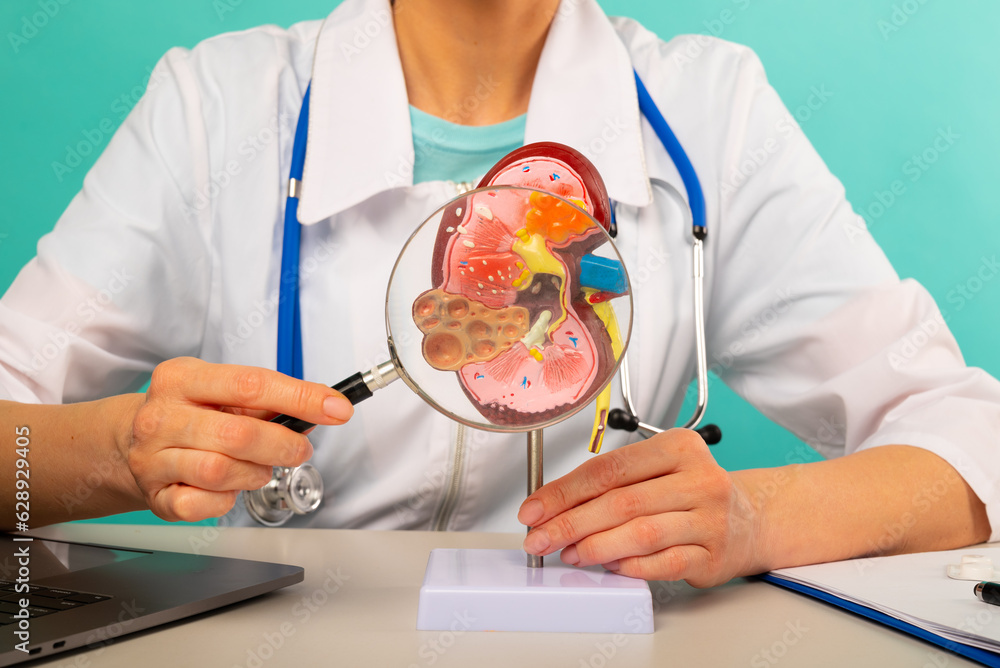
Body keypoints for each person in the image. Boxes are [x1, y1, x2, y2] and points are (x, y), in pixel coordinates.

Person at [1, 0, 997, 588]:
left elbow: (972, 450)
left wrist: (752, 519)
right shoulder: (218, 107)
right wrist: (120, 451)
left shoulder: (710, 113)